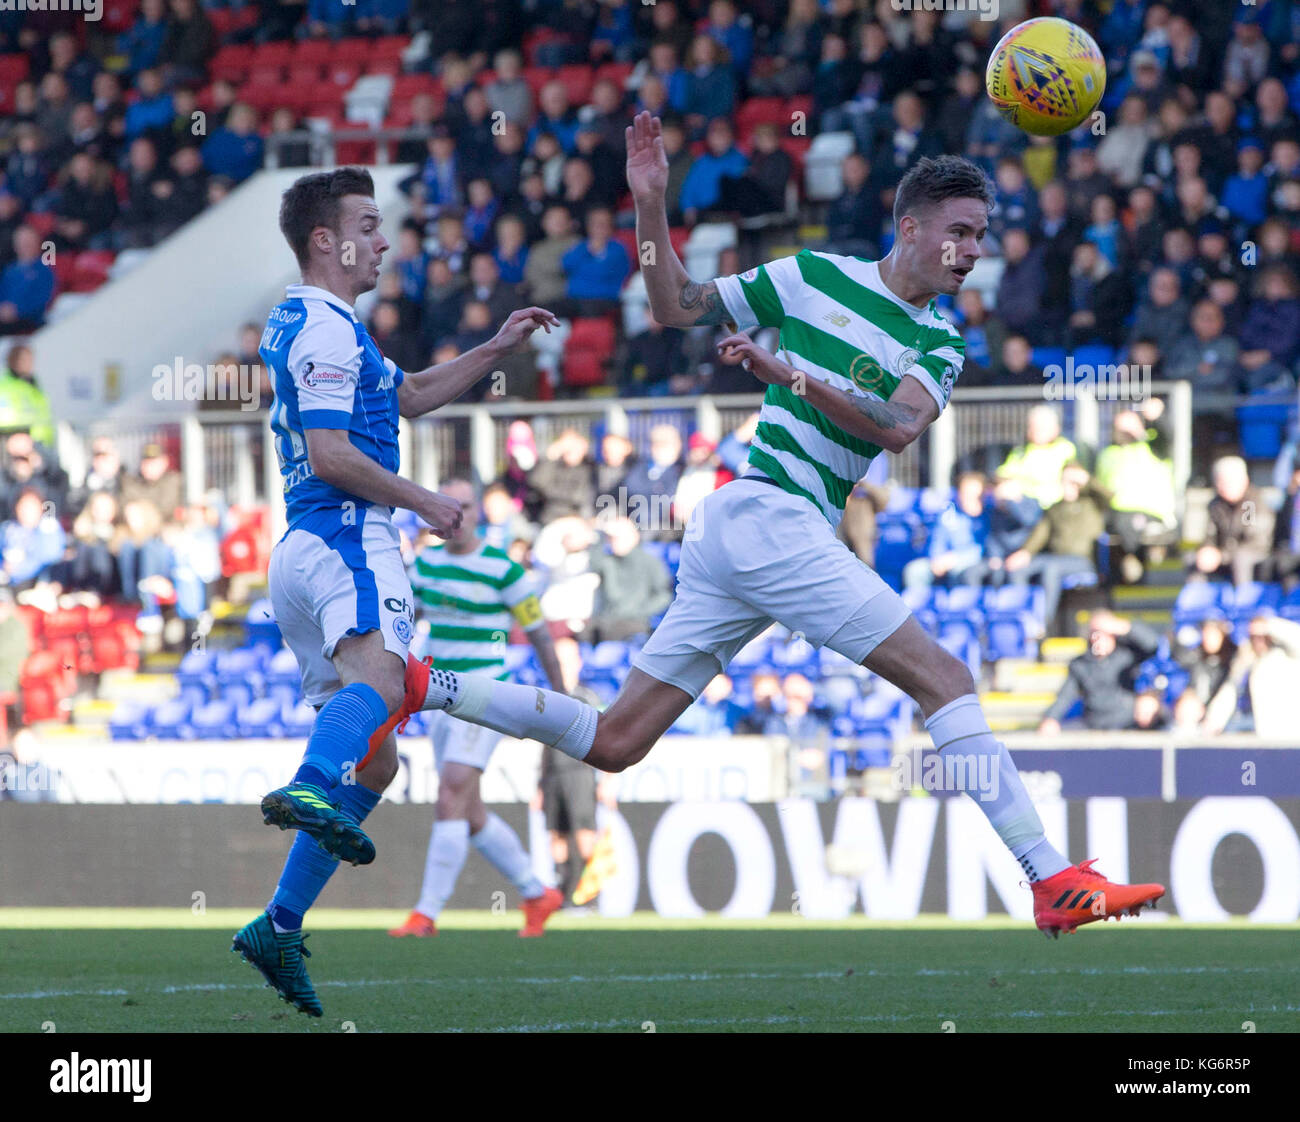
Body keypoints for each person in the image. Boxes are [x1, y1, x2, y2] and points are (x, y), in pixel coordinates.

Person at [365, 124, 1165, 941]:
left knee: (614, 742)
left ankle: (425, 686)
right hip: (767, 514)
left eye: (981, 238)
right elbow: (676, 305)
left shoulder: (941, 340)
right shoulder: (814, 275)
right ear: (911, 227)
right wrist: (650, 205)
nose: (970, 252)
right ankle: (1049, 878)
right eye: (958, 232)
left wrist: (797, 377)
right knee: (948, 680)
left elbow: (898, 427)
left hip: (751, 531)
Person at [231, 167, 557, 1017]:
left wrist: (492, 352)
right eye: (369, 226)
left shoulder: (325, 324)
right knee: (379, 691)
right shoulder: (326, 332)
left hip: (305, 549)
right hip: (348, 535)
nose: (384, 241)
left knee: (379, 755)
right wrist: (427, 504)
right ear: (325, 242)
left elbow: (405, 397)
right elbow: (336, 454)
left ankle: (278, 923)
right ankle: (307, 782)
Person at [388, 478, 565, 940]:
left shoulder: (503, 569)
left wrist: (561, 694)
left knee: (449, 795)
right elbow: (406, 622)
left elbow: (541, 633)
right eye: (450, 505)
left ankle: (426, 915)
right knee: (469, 810)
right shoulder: (425, 566)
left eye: (466, 505)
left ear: (480, 511)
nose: (458, 513)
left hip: (486, 696)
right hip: (440, 696)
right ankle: (536, 893)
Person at [537, 636, 611, 908]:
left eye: (567, 658)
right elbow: (543, 745)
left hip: (580, 772)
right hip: (553, 774)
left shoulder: (589, 698)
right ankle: (563, 893)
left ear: (578, 662)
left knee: (584, 831)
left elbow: (607, 739)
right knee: (556, 832)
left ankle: (589, 896)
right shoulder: (547, 697)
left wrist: (607, 780)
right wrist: (539, 785)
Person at [1037, 611, 1163, 733]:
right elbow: (1065, 696)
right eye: (1095, 633)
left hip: (1129, 723)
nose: (1099, 639)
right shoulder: (1081, 665)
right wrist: (1051, 718)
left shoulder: (1129, 656)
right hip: (1095, 724)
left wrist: (1125, 627)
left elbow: (1154, 645)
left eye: (1104, 633)